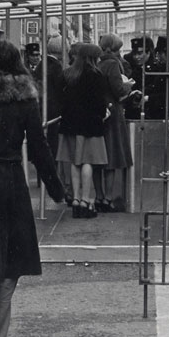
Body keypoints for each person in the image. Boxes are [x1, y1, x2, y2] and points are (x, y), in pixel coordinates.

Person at [0, 41, 65, 337]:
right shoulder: (25, 96)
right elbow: (38, 147)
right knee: (8, 268)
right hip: (10, 184)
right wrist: (55, 188)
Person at [57, 43, 109, 218]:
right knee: (88, 161)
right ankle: (86, 201)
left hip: (71, 124)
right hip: (91, 125)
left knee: (74, 162)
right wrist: (104, 113)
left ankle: (77, 199)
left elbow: (61, 101)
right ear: (93, 58)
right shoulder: (96, 76)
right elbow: (101, 103)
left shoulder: (68, 74)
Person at [96, 34, 135, 211]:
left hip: (100, 111)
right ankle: (109, 199)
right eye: (119, 49)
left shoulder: (97, 63)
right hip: (113, 114)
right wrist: (129, 86)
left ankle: (99, 196)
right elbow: (119, 90)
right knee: (111, 158)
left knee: (98, 158)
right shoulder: (112, 64)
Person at [123, 36, 152, 120]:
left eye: (139, 53)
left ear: (148, 53)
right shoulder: (135, 69)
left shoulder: (156, 69)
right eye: (134, 54)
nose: (136, 57)